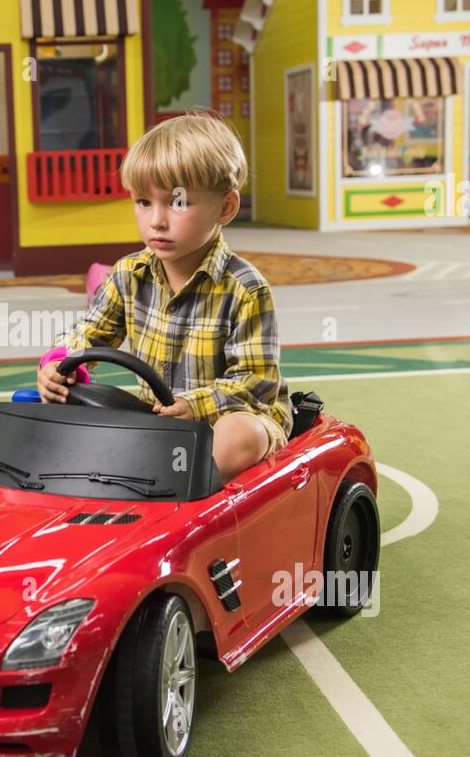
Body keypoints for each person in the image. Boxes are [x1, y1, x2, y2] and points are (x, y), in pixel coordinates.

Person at [36, 112, 292, 481]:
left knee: (241, 434)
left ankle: (181, 493)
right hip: (158, 420)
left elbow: (256, 381)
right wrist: (57, 365)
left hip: (228, 419)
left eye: (177, 203)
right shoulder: (128, 275)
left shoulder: (245, 288)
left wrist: (196, 405)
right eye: (143, 202)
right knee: (79, 412)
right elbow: (88, 334)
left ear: (225, 207)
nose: (156, 220)